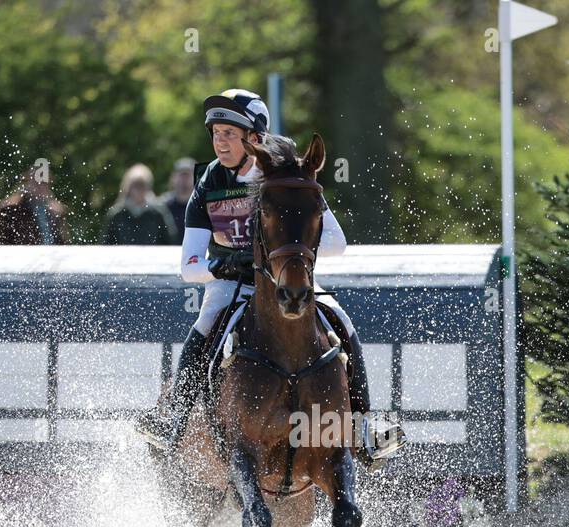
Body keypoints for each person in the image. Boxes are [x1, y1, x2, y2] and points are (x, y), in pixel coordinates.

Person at [134, 88, 404, 464]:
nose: (219, 142)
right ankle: (174, 418)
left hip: (286, 280)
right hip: (231, 284)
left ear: (255, 138)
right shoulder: (209, 183)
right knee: (203, 327)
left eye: (229, 133)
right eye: (215, 133)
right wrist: (224, 266)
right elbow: (188, 265)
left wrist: (287, 256)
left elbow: (336, 242)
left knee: (342, 321)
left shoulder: (289, 175)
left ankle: (365, 425)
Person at [0, 164, 70, 245]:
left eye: (44, 182)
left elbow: (63, 243)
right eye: (37, 182)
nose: (41, 186)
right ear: (28, 182)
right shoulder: (11, 209)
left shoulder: (55, 212)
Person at [102, 164, 175, 245]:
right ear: (128, 188)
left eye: (142, 185)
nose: (139, 190)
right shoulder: (117, 214)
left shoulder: (158, 213)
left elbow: (169, 241)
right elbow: (106, 243)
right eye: (135, 185)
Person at [157, 157, 196, 240]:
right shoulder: (162, 205)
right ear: (173, 178)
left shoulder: (201, 206)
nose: (183, 180)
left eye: (188, 176)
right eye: (181, 175)